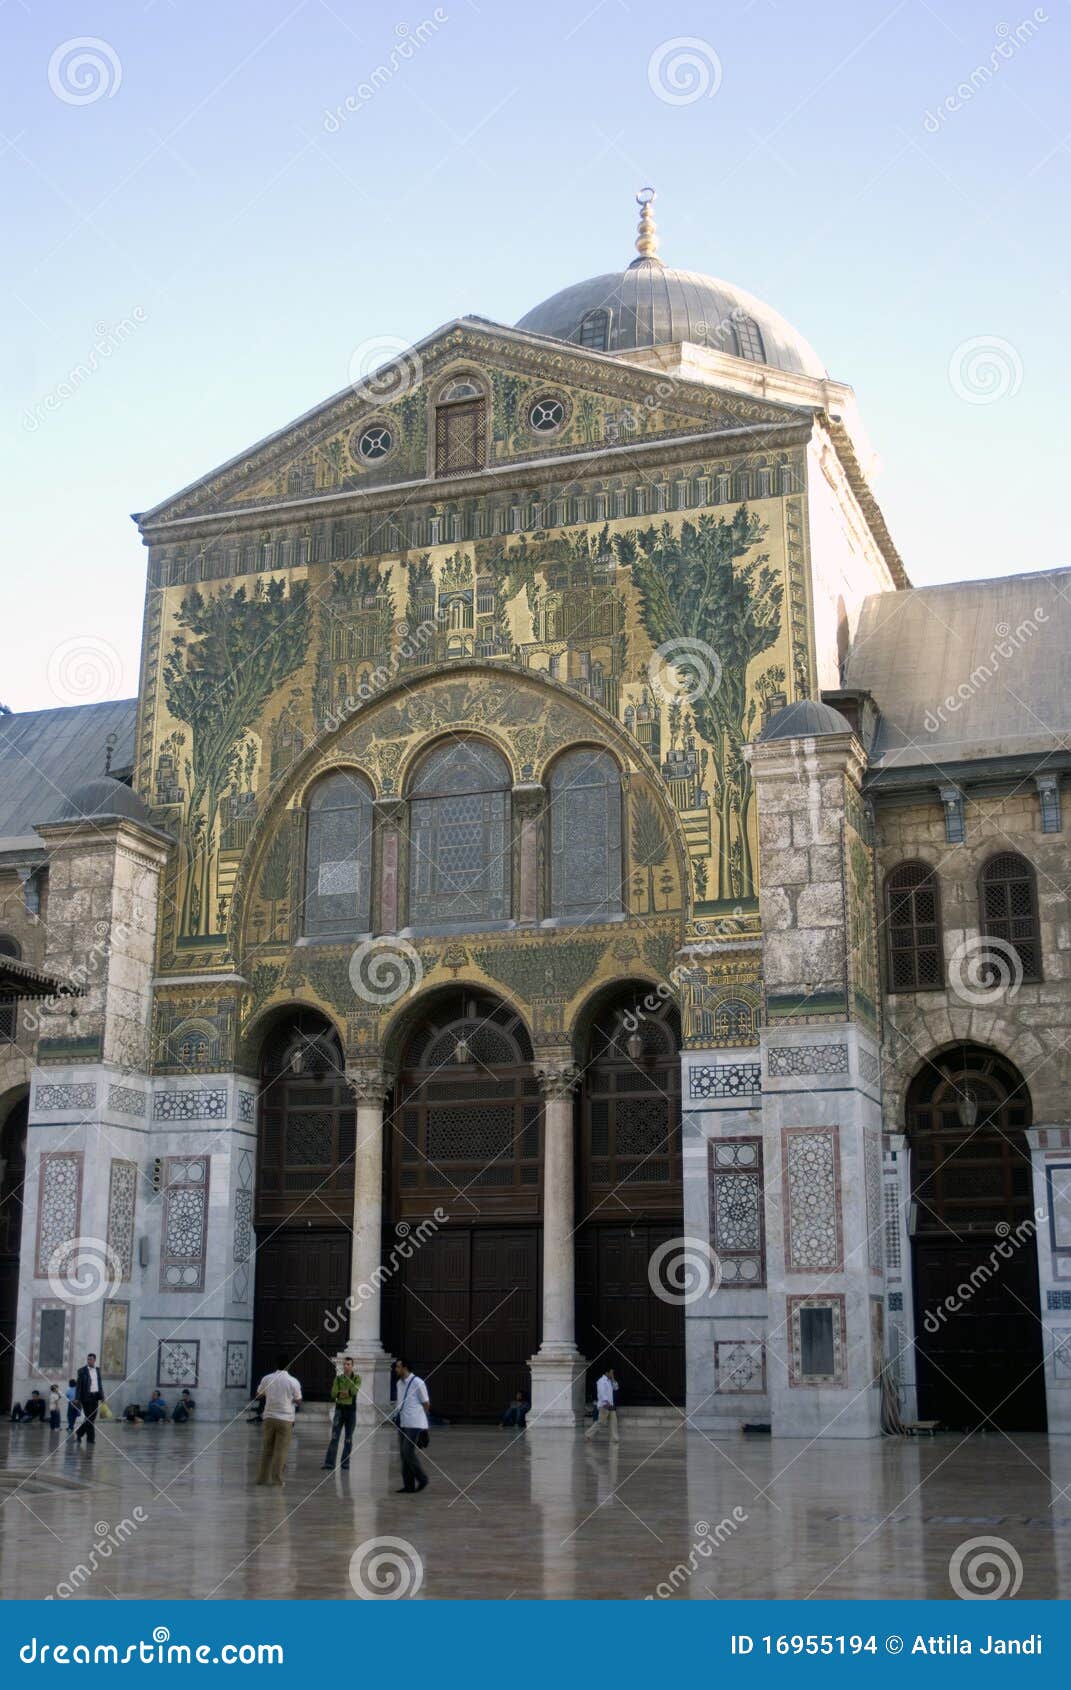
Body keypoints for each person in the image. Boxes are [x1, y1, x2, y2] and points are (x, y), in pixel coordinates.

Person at [255, 1355, 302, 1487]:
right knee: (280, 1450)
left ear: (276, 1365)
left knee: (267, 1449)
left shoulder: (267, 1378)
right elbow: (298, 1400)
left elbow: (258, 1395)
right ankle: (277, 1480)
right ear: (289, 1365)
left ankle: (262, 1479)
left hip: (269, 1417)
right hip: (285, 1419)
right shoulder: (293, 1381)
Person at [392, 1357, 430, 1494]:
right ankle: (408, 1486)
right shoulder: (399, 1383)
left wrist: (423, 1424)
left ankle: (422, 1478)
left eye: (398, 1367)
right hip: (402, 1422)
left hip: (414, 1424)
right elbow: (400, 1402)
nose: (396, 1369)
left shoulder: (418, 1383)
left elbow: (426, 1403)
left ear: (405, 1368)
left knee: (408, 1452)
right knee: (403, 1454)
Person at [322, 1357, 361, 1472]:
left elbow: (354, 1391)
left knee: (348, 1439)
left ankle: (345, 1463)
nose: (346, 1366)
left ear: (352, 1366)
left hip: (351, 1411)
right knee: (334, 1437)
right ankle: (329, 1463)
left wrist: (345, 1393)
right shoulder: (338, 1379)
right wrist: (345, 1393)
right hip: (339, 1411)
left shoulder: (357, 1378)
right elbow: (334, 1393)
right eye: (344, 1364)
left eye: (348, 1364)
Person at [75, 1352, 103, 1447]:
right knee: (89, 1418)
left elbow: (100, 1385)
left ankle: (79, 1433)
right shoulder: (81, 1371)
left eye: (91, 1359)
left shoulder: (98, 1370)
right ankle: (90, 1439)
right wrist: (77, 1398)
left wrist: (102, 1397)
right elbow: (79, 1386)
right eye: (88, 1359)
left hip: (95, 1397)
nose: (89, 1361)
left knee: (92, 1418)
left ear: (94, 1360)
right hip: (86, 1397)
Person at [584, 1368, 619, 1443]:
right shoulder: (601, 1381)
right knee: (600, 1422)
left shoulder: (610, 1381)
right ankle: (588, 1434)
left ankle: (615, 1439)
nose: (612, 1374)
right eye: (611, 1373)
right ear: (606, 1372)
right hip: (604, 1405)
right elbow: (601, 1392)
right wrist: (606, 1402)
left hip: (611, 1405)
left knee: (613, 1422)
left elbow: (616, 1388)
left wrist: (613, 1379)